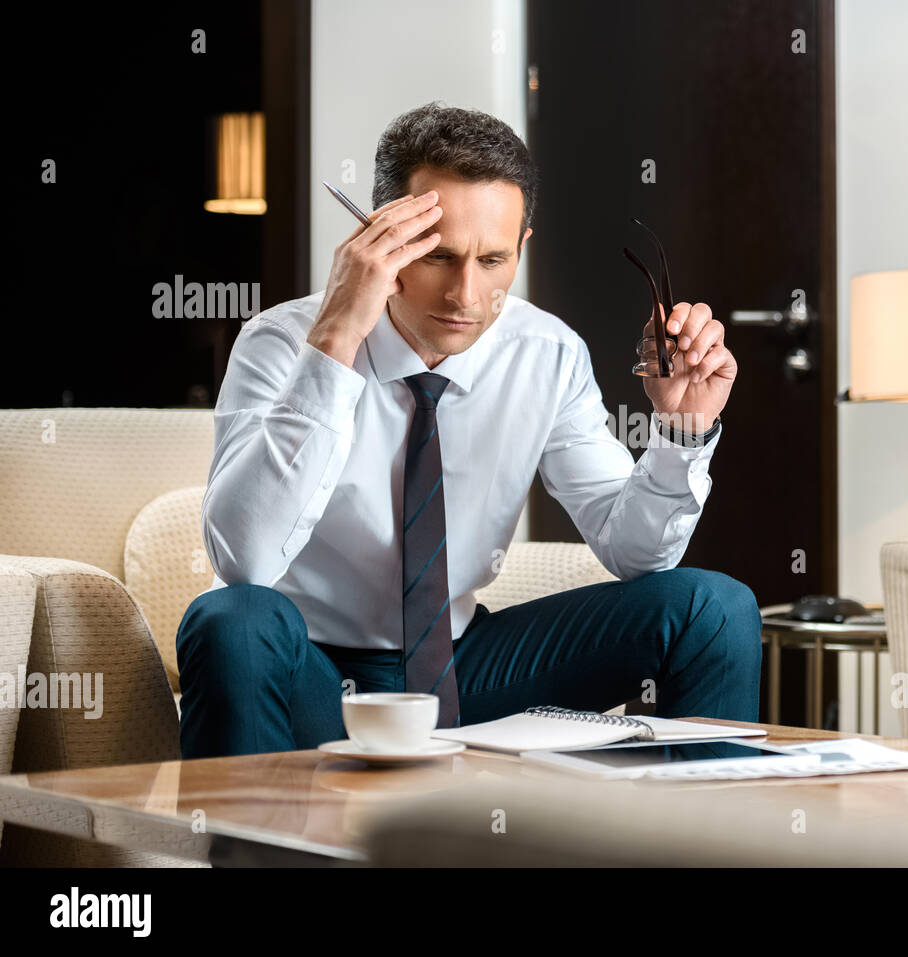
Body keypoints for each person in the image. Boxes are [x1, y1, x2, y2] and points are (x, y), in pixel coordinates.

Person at [177, 101, 760, 758]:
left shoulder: (547, 352)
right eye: (439, 256)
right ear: (377, 239)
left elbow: (635, 553)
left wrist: (681, 430)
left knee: (714, 608)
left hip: (466, 670)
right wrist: (336, 341)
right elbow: (245, 560)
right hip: (314, 676)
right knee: (230, 619)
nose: (464, 294)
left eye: (492, 260)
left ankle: (706, 843)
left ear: (522, 248)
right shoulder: (281, 343)